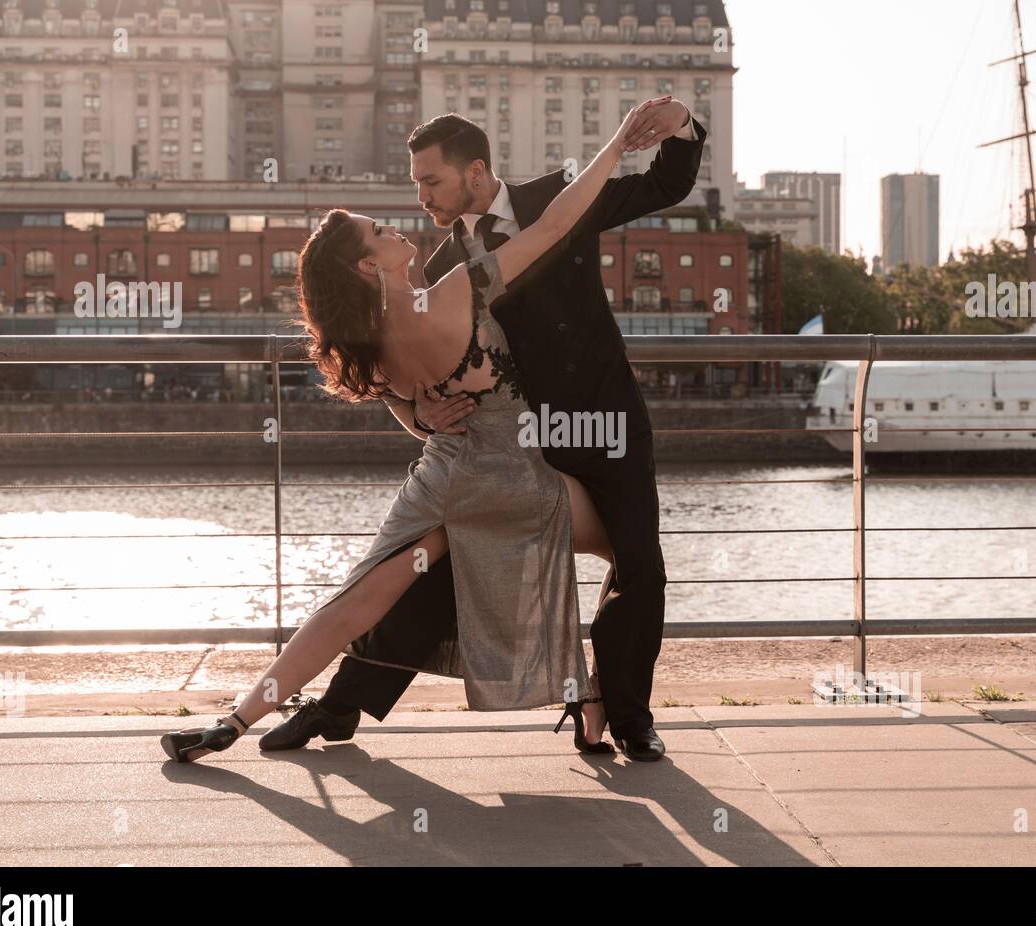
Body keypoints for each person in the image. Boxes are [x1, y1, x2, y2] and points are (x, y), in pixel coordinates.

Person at [160, 100, 668, 764]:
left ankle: (232, 721)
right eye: (379, 230)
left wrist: (424, 417)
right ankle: (595, 697)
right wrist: (616, 145)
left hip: (440, 481)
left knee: (352, 601)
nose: (400, 221)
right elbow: (555, 224)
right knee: (634, 557)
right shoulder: (458, 288)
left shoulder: (374, 341)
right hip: (514, 480)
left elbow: (402, 402)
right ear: (371, 266)